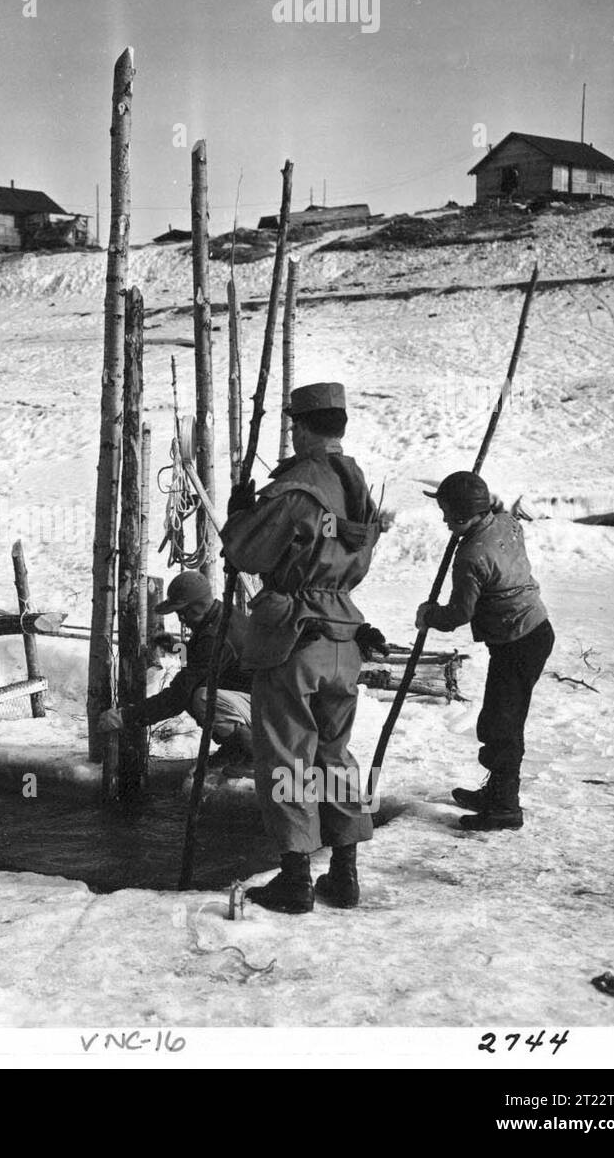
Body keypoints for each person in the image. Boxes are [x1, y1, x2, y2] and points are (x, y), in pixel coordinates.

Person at [220, 381, 381, 913]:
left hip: (295, 634)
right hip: (344, 633)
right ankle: (346, 873)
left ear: (302, 426)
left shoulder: (299, 487)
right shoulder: (356, 486)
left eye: (293, 425)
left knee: (288, 756)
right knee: (335, 756)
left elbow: (245, 551)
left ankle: (294, 878)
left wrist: (240, 513)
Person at [417, 471, 553, 831]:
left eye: (450, 515)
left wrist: (430, 615)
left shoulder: (472, 556)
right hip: (533, 633)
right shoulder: (506, 523)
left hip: (517, 641)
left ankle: (505, 808)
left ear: (466, 516)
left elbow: (458, 614)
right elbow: (501, 510)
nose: (445, 521)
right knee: (502, 718)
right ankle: (497, 792)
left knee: (502, 724)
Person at [95, 570, 254, 769]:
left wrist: (126, 717)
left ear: (198, 607)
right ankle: (235, 746)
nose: (181, 619)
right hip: (254, 696)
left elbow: (178, 697)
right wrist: (179, 648)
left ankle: (252, 753)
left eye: (182, 612)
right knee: (195, 690)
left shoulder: (215, 636)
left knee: (201, 697)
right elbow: (211, 662)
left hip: (266, 707)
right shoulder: (220, 614)